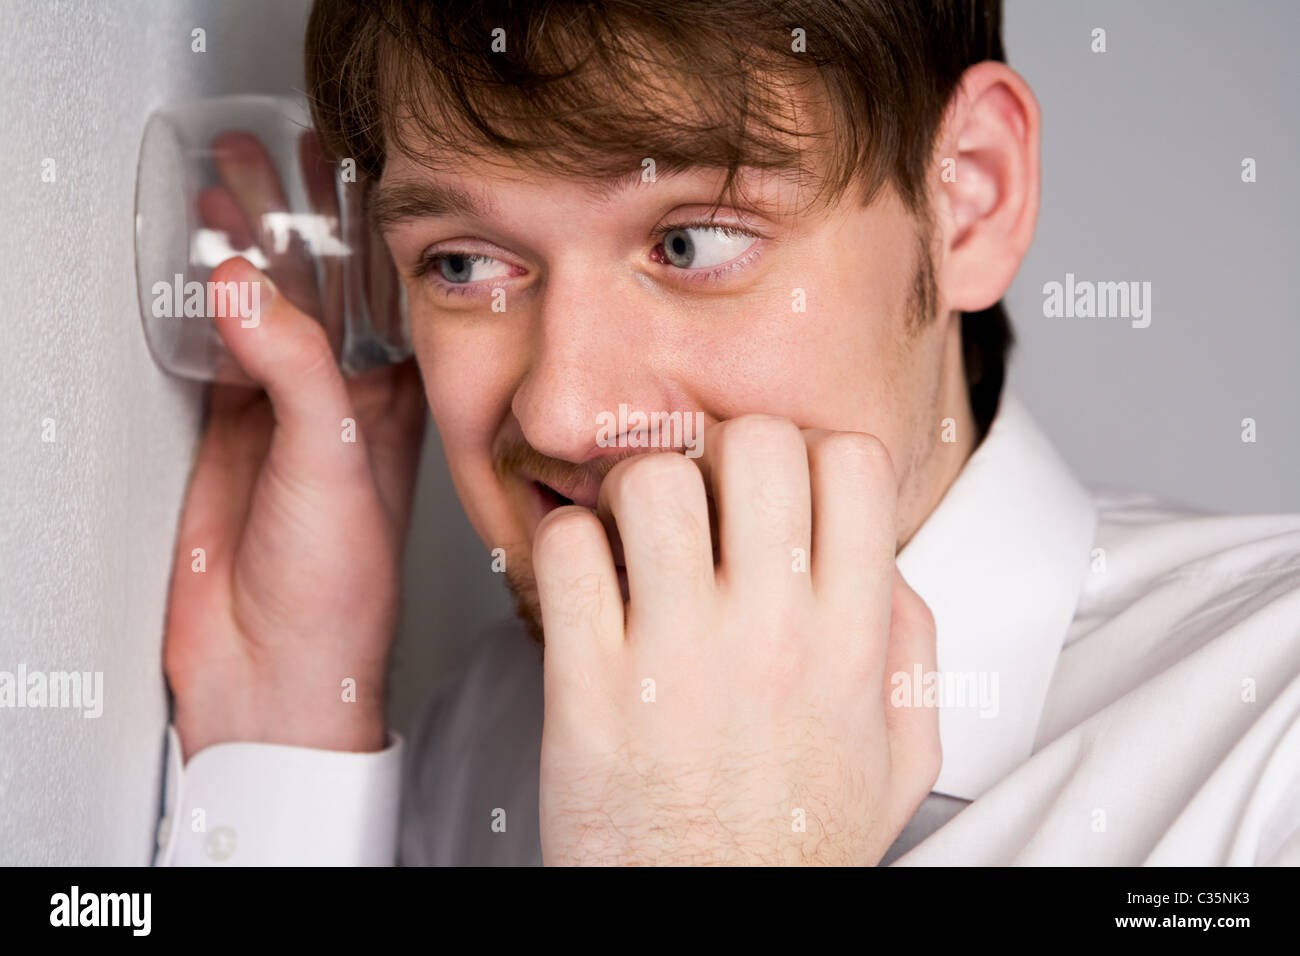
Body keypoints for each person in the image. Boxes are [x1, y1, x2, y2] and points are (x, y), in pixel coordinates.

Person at [153, 0, 1300, 866]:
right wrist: (291, 738)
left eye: (693, 242)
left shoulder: (1268, 745)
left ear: (971, 196)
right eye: (464, 263)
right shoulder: (486, 734)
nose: (561, 412)